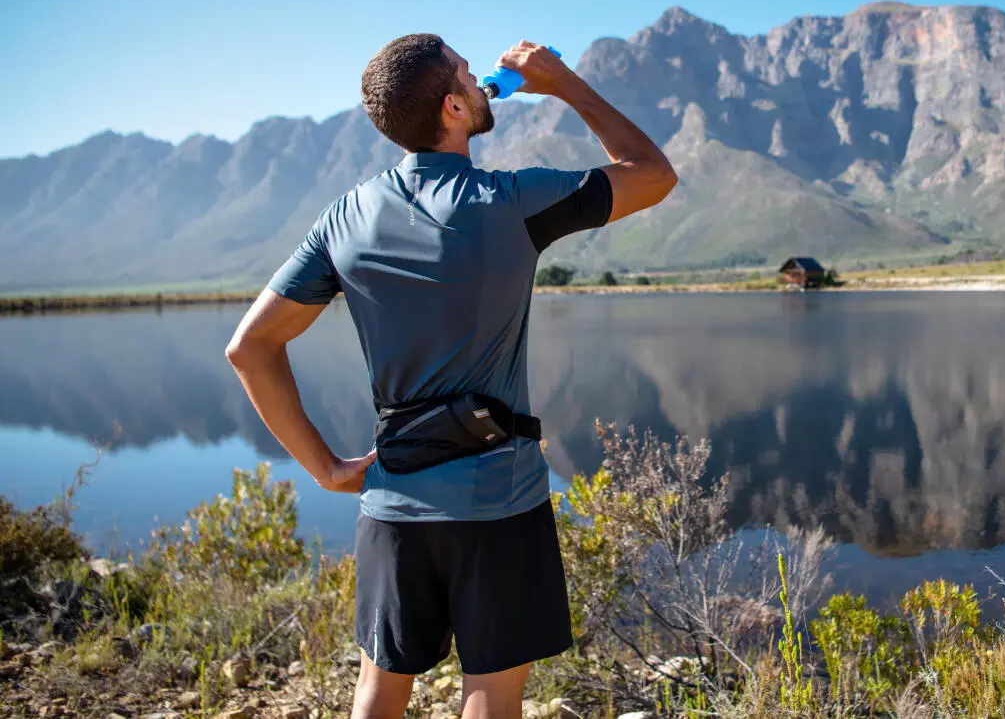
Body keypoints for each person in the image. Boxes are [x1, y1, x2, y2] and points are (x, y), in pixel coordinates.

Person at [224, 37, 677, 719]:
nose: (479, 73)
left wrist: (325, 467)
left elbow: (250, 347)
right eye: (468, 70)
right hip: (500, 504)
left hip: (390, 507)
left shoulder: (344, 218)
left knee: (378, 690)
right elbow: (652, 172)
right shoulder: (514, 200)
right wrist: (564, 85)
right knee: (492, 697)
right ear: (456, 106)